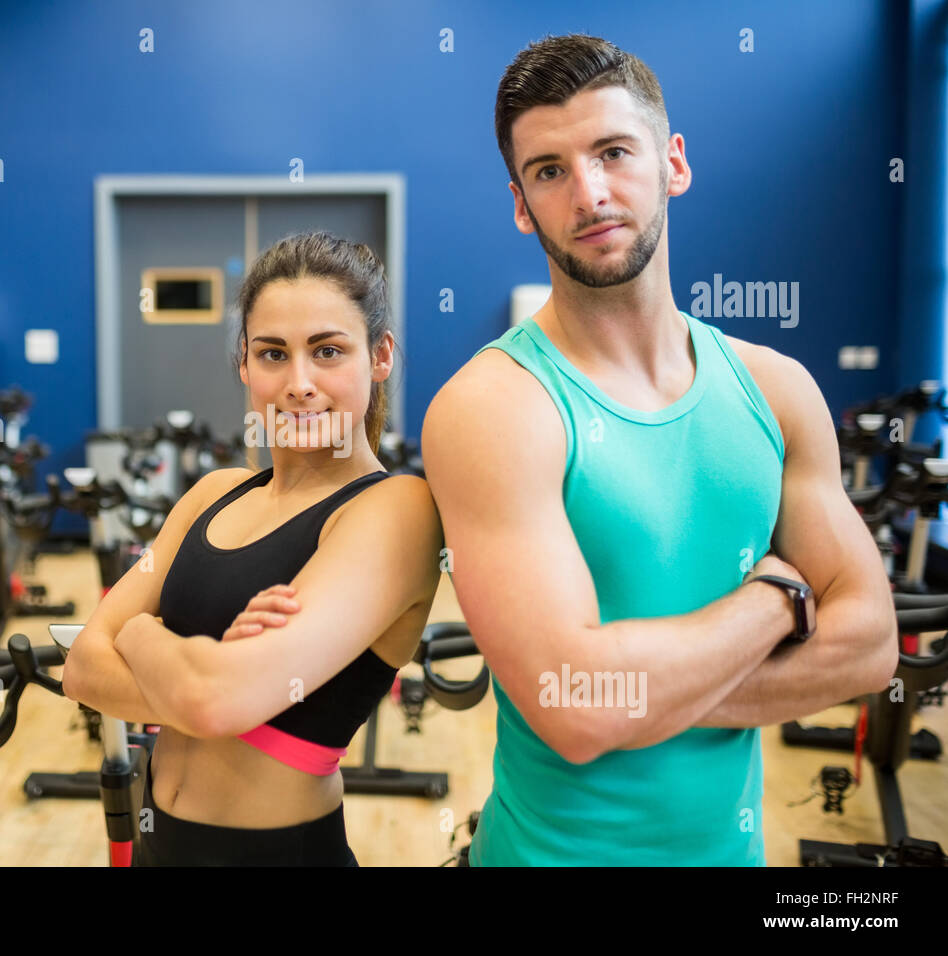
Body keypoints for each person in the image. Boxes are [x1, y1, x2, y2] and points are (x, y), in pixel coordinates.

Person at [421, 34, 898, 866]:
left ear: (673, 162)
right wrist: (777, 601)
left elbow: (868, 645)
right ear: (521, 204)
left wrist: (636, 695)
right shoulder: (491, 408)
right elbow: (574, 713)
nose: (590, 193)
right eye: (549, 171)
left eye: (613, 152)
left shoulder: (777, 389)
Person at [62, 231, 442, 866]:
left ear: (379, 356)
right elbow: (81, 668)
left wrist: (141, 636)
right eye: (272, 353)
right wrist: (202, 677)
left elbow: (211, 701)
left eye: (327, 350)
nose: (298, 383)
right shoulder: (213, 493)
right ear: (244, 362)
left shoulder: (397, 511)